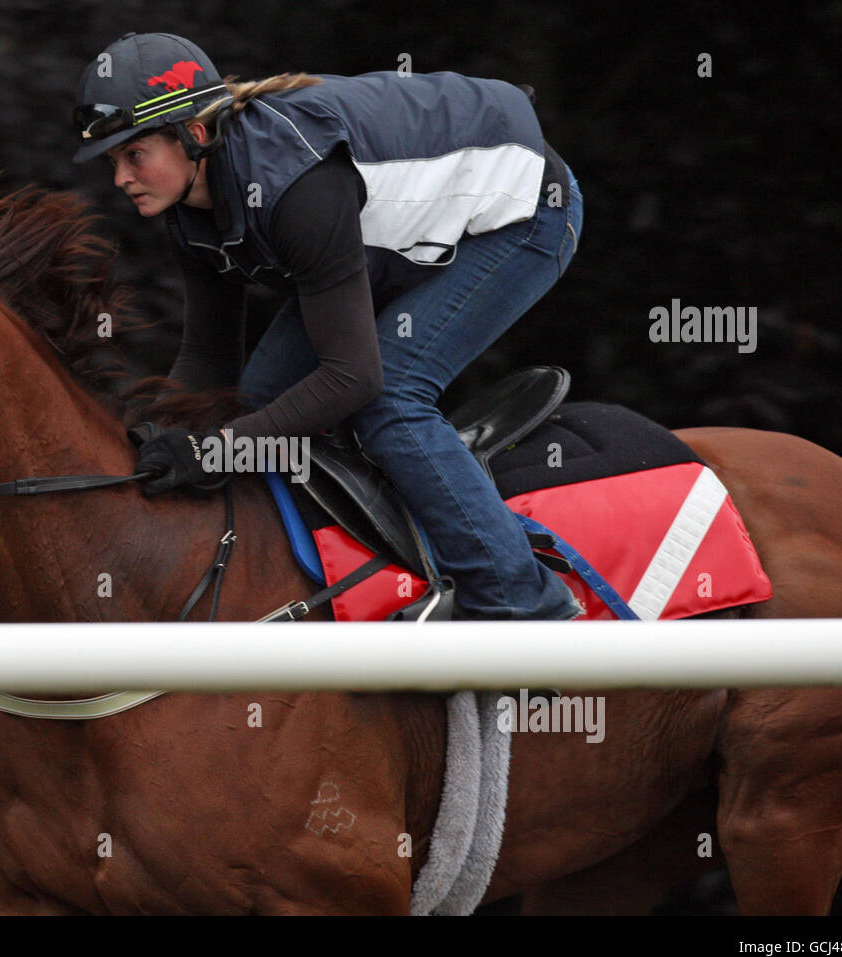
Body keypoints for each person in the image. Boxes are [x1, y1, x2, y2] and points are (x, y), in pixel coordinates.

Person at [72, 31, 583, 620]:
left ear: (196, 134)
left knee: (392, 397)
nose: (120, 180)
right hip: (392, 234)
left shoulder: (297, 186)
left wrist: (216, 453)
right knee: (252, 406)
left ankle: (526, 604)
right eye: (113, 161)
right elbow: (210, 358)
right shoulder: (189, 207)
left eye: (134, 155)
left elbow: (353, 379)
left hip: (522, 212)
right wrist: (154, 440)